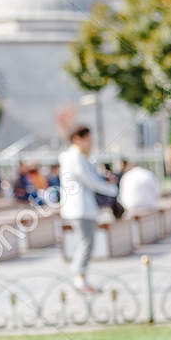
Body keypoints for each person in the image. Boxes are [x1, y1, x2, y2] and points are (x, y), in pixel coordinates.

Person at [58, 125, 117, 293]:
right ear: (78, 139)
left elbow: (93, 177)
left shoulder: (82, 157)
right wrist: (112, 189)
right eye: (88, 140)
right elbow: (89, 181)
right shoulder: (73, 157)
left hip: (85, 208)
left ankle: (80, 276)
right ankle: (79, 278)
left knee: (86, 243)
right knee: (86, 243)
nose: (90, 144)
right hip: (79, 208)